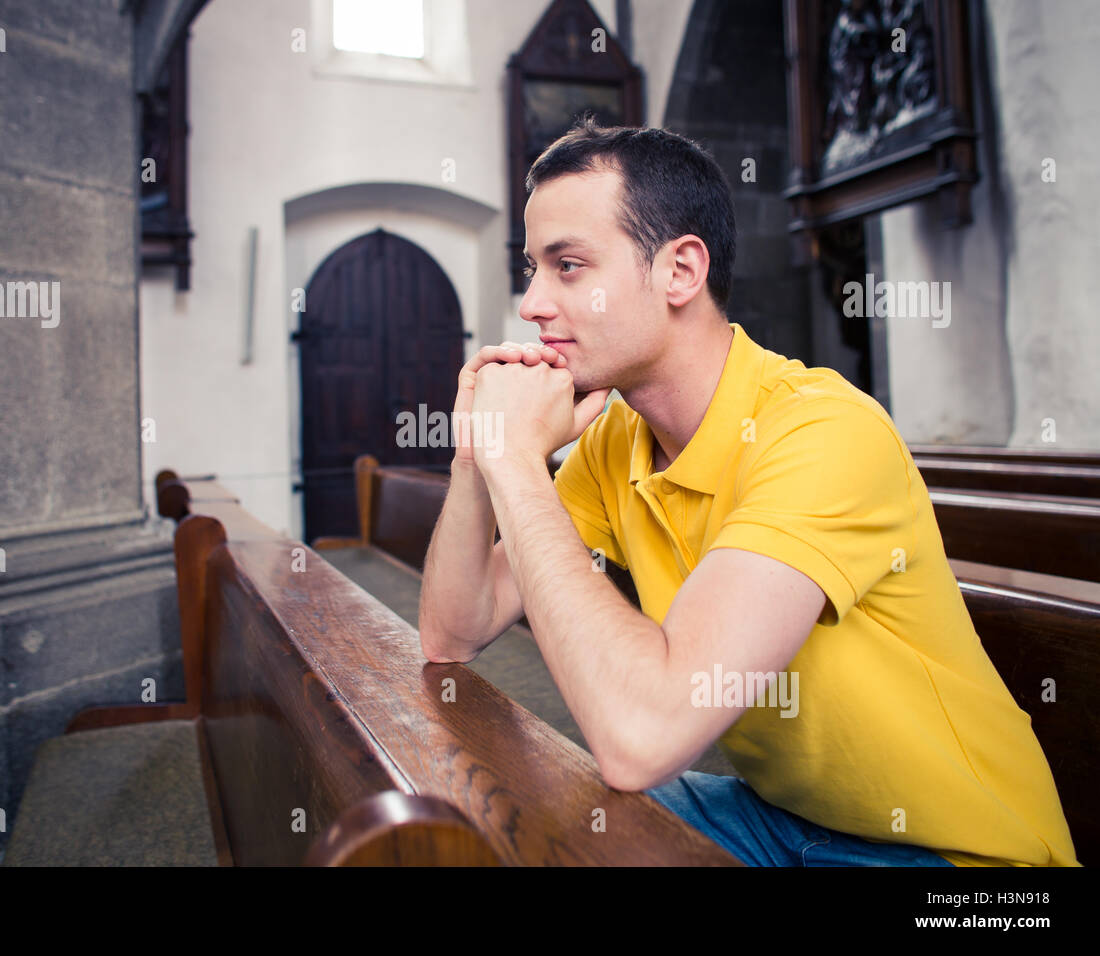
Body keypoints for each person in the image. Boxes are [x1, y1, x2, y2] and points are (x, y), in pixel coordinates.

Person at [417, 117, 1078, 867]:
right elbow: (452, 633)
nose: (532, 302)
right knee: (531, 827)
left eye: (567, 266)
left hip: (961, 862)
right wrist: (479, 455)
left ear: (681, 272)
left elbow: (641, 738)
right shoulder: (614, 439)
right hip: (779, 818)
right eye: (531, 267)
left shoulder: (824, 429)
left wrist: (518, 465)